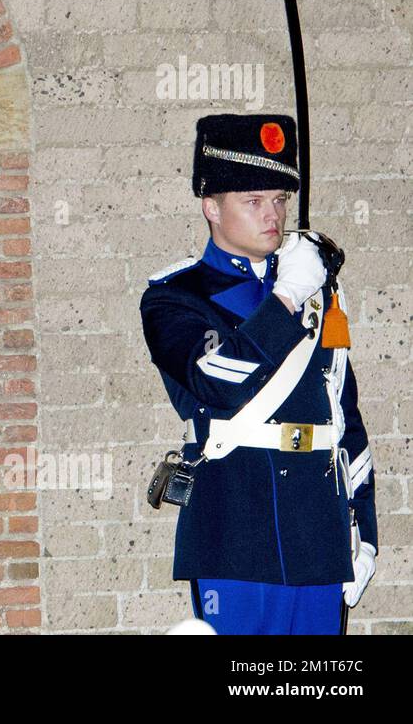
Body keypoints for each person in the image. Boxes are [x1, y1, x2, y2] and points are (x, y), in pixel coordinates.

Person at [140, 113, 378, 635]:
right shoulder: (176, 297)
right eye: (253, 201)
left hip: (319, 533)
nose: (273, 215)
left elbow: (344, 416)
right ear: (211, 207)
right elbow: (217, 382)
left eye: (279, 199)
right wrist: (286, 297)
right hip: (234, 533)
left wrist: (364, 528)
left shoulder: (316, 293)